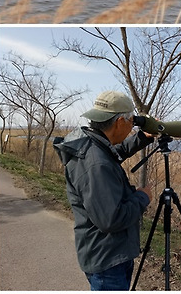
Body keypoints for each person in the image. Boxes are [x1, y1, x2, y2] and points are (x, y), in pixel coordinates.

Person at [54, 91, 155, 290]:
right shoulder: (95, 164)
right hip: (108, 259)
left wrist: (141, 138)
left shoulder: (91, 142)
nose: (132, 126)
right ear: (119, 122)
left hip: (107, 252)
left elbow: (111, 155)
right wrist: (142, 197)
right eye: (131, 122)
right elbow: (112, 219)